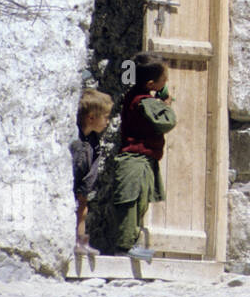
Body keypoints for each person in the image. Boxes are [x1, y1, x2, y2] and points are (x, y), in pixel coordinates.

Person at [109, 52, 176, 260]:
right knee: (131, 202)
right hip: (135, 161)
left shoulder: (134, 95)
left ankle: (129, 244)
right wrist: (166, 104)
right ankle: (124, 247)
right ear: (151, 84)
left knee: (140, 202)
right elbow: (166, 122)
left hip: (141, 160)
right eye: (164, 79)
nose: (166, 82)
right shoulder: (145, 102)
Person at [71, 89, 112, 255]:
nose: (108, 122)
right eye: (105, 117)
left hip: (83, 187)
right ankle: (75, 240)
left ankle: (81, 241)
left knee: (84, 209)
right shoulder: (76, 140)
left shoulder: (93, 140)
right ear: (91, 117)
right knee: (79, 209)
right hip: (75, 184)